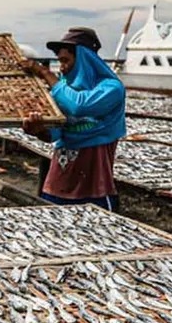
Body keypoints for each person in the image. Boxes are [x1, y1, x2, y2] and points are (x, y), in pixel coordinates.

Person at [21, 27, 126, 211]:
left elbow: (80, 106)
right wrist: (38, 130)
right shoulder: (63, 91)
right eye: (59, 61)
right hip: (58, 183)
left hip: (95, 188)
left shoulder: (112, 88)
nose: (61, 67)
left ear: (84, 59)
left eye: (65, 60)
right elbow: (55, 133)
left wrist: (46, 74)